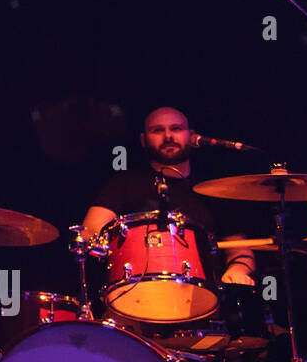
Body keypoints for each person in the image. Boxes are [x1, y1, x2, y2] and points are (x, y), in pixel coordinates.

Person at [80, 106, 257, 291]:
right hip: (136, 292)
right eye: (157, 130)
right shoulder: (123, 183)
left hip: (203, 296)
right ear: (143, 140)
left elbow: (240, 248)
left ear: (191, 135)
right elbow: (90, 229)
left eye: (176, 129)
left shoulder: (214, 189)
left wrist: (238, 270)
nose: (168, 136)